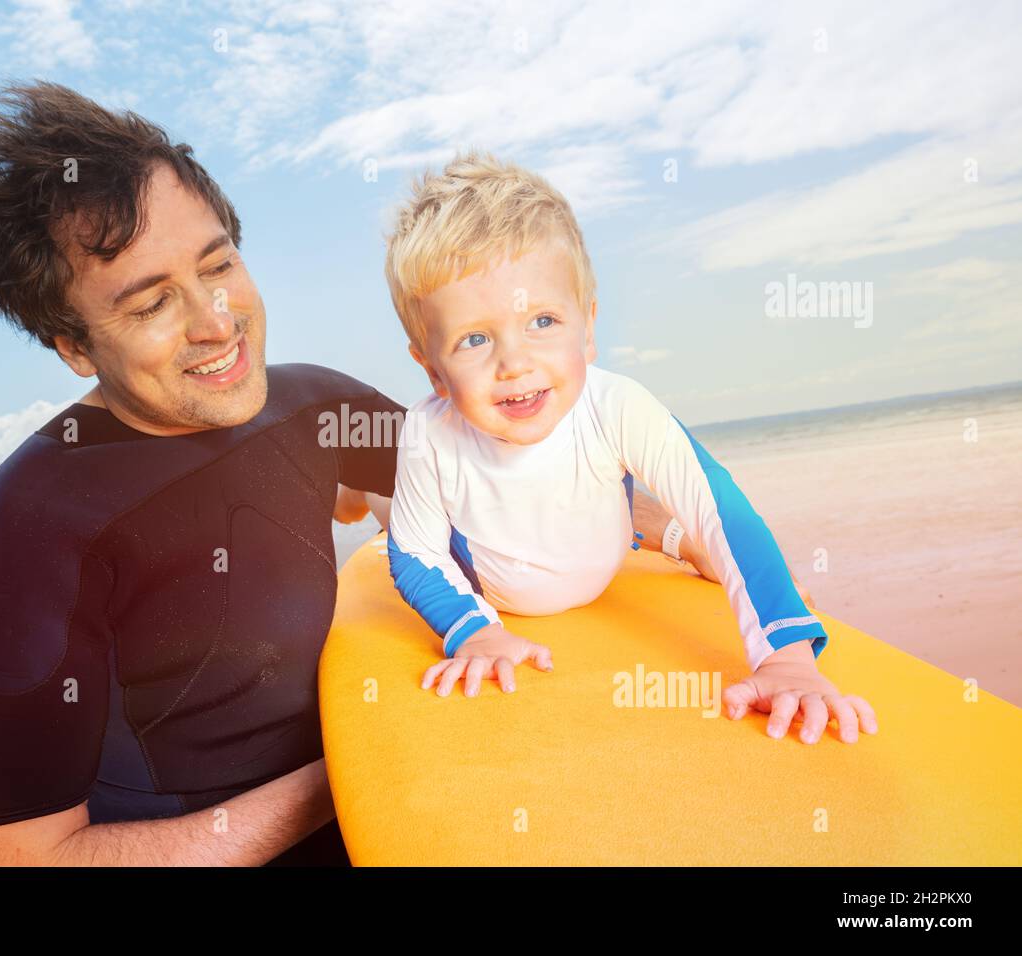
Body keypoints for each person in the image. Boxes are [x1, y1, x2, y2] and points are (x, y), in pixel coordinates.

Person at [0, 81, 406, 865]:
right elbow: (18, 860)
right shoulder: (18, 542)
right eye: (151, 306)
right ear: (74, 346)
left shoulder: (318, 405)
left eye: (219, 266)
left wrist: (670, 521)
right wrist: (349, 775)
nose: (216, 322)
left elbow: (491, 487)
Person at [376, 151, 878, 746]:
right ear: (432, 369)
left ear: (588, 329)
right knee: (394, 518)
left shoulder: (617, 404)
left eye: (542, 322)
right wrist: (473, 631)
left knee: (671, 519)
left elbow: (722, 511)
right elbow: (414, 554)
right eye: (474, 339)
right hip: (490, 572)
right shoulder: (429, 433)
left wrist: (787, 657)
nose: (515, 363)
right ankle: (364, 493)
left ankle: (659, 529)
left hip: (599, 538)